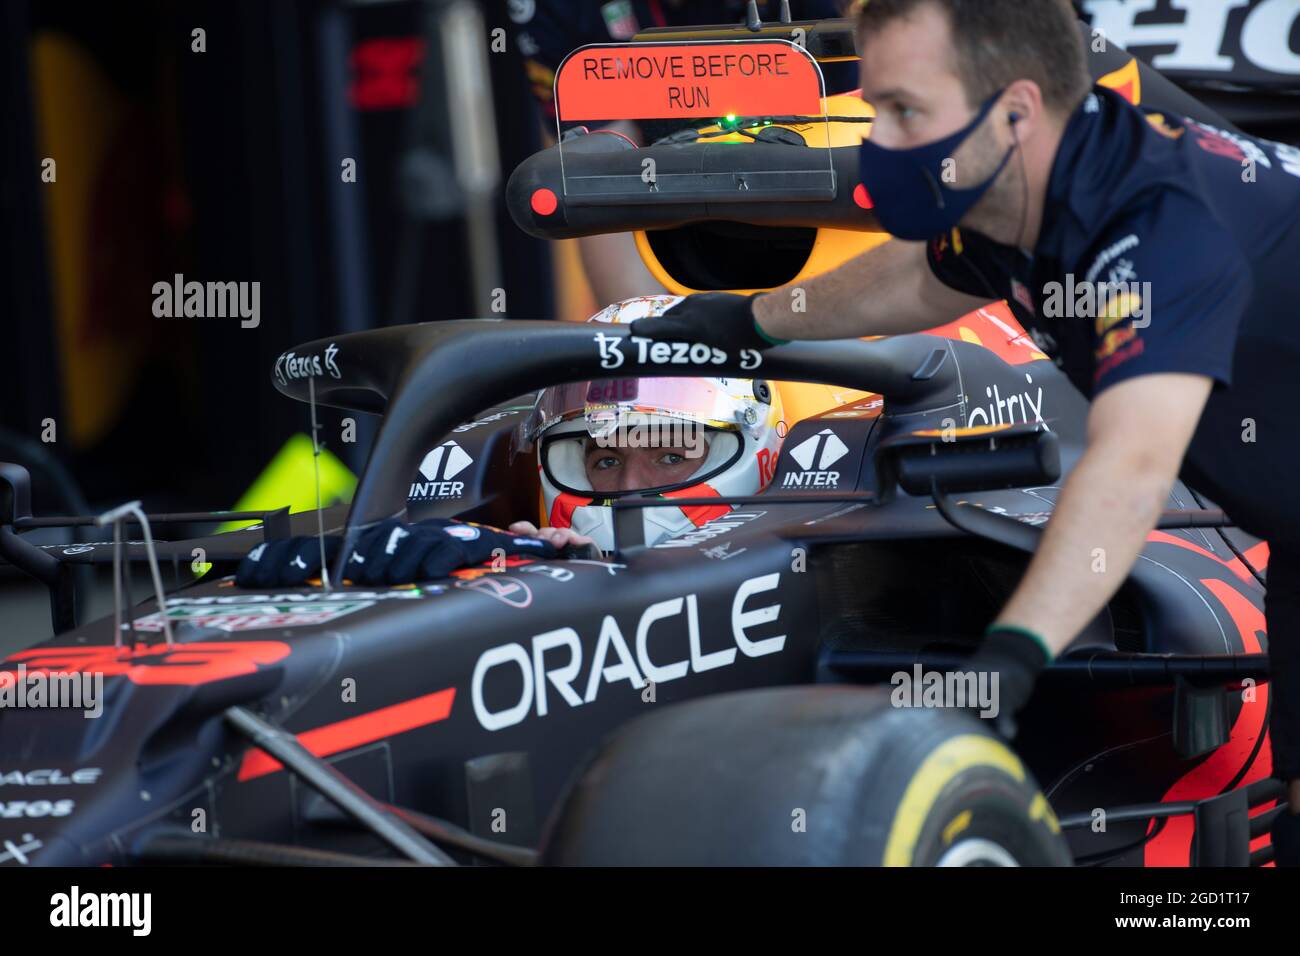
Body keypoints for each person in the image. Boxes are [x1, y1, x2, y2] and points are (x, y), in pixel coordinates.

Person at [629, 0, 1300, 862]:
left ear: (1015, 109)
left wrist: (1016, 651)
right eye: (877, 108)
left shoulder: (1157, 226)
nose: (880, 139)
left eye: (905, 111)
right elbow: (923, 279)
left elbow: (1130, 469)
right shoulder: (1038, 177)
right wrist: (751, 320)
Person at [238, 294, 786, 581]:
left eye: (670, 454)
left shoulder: (828, 572)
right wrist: (525, 571)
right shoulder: (527, 552)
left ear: (760, 457)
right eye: (602, 461)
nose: (630, 490)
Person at [510, 0, 859, 305]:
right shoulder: (554, 8)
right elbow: (601, 176)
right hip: (676, 233)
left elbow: (867, 132)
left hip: (829, 196)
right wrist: (655, 351)